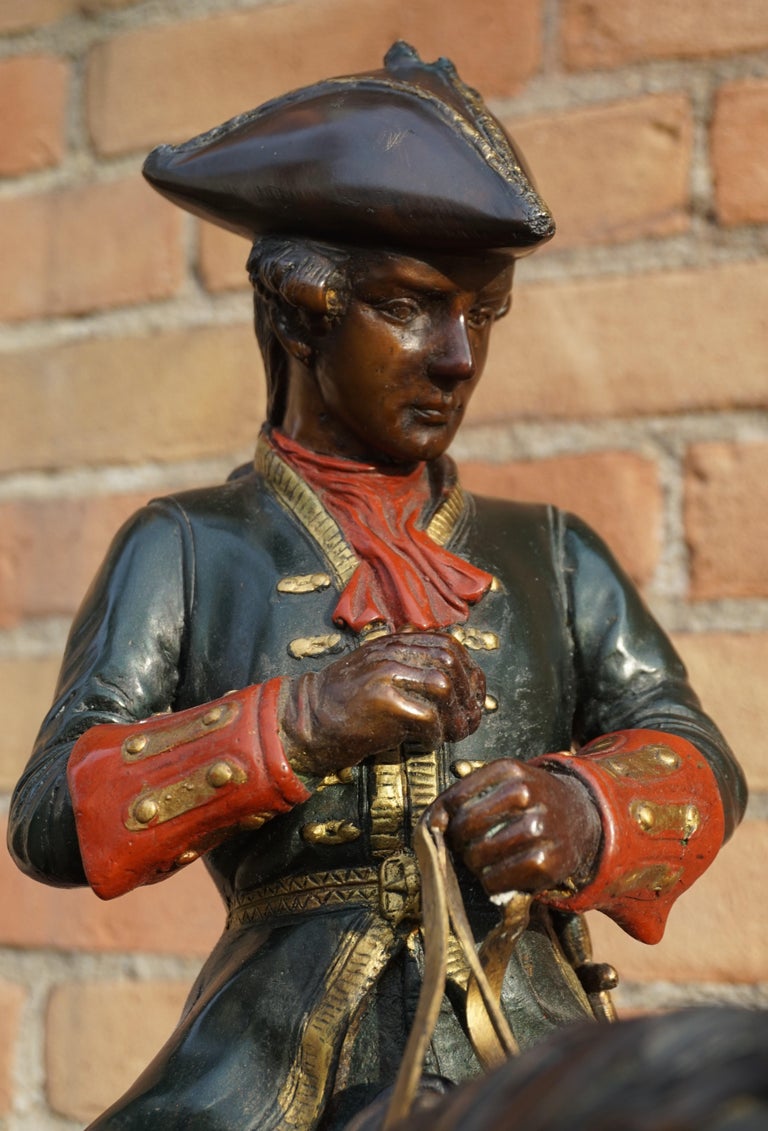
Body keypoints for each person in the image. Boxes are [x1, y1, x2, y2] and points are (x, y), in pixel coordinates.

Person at [8, 43, 746, 1131]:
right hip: (267, 1058)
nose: (457, 356)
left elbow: (696, 755)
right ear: (303, 312)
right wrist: (294, 722)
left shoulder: (550, 549)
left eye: (482, 315)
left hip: (528, 1027)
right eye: (412, 305)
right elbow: (49, 815)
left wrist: (587, 809)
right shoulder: (187, 549)